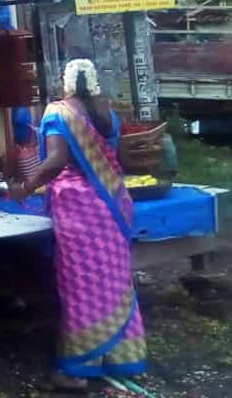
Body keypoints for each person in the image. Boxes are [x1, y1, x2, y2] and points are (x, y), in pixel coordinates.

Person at [8, 60, 146, 391]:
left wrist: (24, 187)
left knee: (83, 287)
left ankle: (76, 370)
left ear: (64, 82)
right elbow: (122, 159)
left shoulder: (58, 112)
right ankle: (122, 359)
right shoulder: (107, 112)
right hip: (112, 206)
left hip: (80, 212)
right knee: (114, 283)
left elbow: (55, 162)